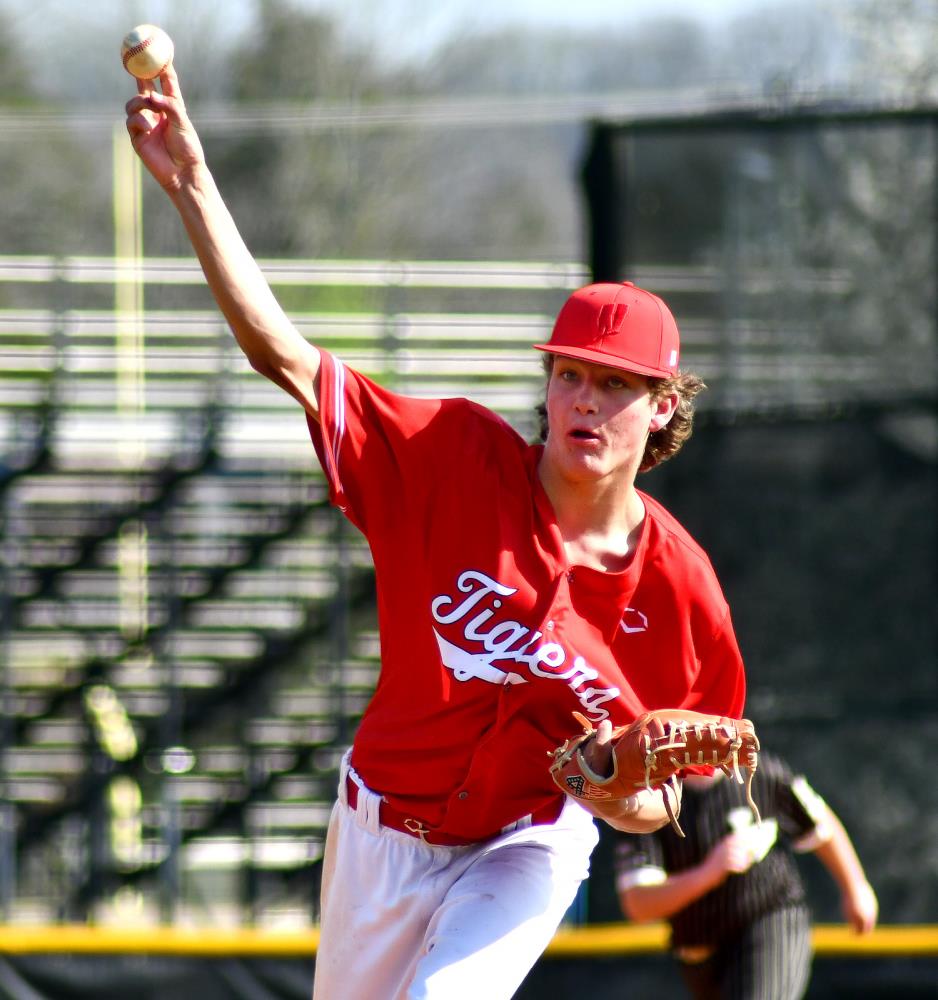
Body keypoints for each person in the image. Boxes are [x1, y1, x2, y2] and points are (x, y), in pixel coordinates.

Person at [125, 61, 754, 1000]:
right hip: (381, 829)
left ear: (662, 408)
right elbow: (286, 357)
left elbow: (663, 795)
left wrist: (615, 791)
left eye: (615, 384)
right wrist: (191, 186)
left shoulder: (677, 586)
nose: (584, 398)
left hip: (529, 841)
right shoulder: (449, 457)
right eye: (570, 373)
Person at [615, 750, 879, 1000]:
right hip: (700, 947)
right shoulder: (649, 797)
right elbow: (638, 904)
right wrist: (708, 873)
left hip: (770, 918)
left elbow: (819, 823)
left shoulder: (759, 772)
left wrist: (855, 886)